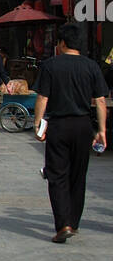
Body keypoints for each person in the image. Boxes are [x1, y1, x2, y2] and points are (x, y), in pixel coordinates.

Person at [33, 23, 107, 243]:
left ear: (62, 43)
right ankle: (73, 222)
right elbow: (101, 101)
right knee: (78, 175)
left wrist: (38, 123)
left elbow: (42, 98)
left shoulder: (50, 65)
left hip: (59, 126)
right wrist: (101, 130)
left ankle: (63, 223)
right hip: (83, 125)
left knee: (57, 176)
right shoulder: (91, 66)